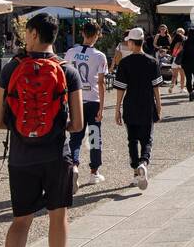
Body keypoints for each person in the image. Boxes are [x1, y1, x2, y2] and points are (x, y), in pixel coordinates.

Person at [0, 12, 85, 247]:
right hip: (56, 154)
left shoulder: (12, 68)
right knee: (59, 215)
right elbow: (78, 123)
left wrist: (24, 128)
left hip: (21, 157)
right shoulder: (67, 69)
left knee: (20, 222)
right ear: (54, 37)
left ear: (31, 33)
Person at [113, 26, 162, 190]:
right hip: (147, 104)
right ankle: (143, 162)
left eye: (129, 43)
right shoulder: (152, 62)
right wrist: (159, 106)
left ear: (133, 43)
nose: (128, 45)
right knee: (147, 138)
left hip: (130, 105)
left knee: (132, 139)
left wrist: (117, 109)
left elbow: (121, 89)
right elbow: (156, 88)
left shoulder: (125, 63)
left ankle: (135, 171)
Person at [64, 19, 108, 187]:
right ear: (97, 36)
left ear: (82, 33)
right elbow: (101, 83)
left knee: (75, 136)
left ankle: (74, 165)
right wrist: (102, 108)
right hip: (94, 99)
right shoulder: (99, 56)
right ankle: (94, 171)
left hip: (76, 99)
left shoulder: (70, 52)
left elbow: (65, 77)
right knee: (94, 137)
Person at [179, 26, 194, 100]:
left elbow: (181, 51)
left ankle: (190, 92)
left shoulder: (184, 43)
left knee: (188, 78)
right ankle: (193, 89)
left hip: (186, 63)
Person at [168, 28, 185, 94]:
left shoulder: (173, 42)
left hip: (174, 60)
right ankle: (182, 89)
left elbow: (173, 53)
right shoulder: (182, 43)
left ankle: (171, 88)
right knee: (182, 75)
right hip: (181, 60)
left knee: (174, 76)